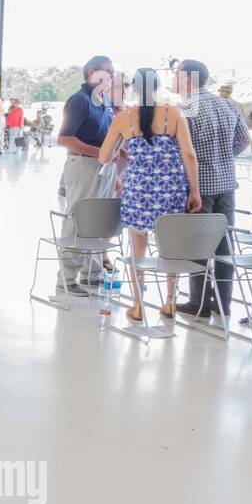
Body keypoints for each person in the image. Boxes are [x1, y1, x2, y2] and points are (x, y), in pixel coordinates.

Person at [99, 68, 202, 321]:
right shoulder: (175, 113)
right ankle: (169, 303)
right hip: (171, 188)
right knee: (171, 249)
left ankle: (137, 305)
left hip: (137, 190)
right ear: (157, 87)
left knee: (138, 250)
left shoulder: (124, 118)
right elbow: (189, 154)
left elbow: (103, 157)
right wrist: (195, 189)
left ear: (133, 88)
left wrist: (124, 153)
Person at [175, 59, 250, 319]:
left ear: (186, 78)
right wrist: (223, 158)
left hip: (200, 186)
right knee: (223, 246)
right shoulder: (227, 104)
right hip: (226, 183)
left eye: (176, 75)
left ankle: (198, 302)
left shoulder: (185, 108)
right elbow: (244, 139)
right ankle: (222, 303)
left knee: (198, 244)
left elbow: (182, 150)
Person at [55, 56, 116, 297]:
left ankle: (93, 273)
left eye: (113, 72)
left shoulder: (104, 100)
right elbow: (64, 138)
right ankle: (67, 279)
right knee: (78, 221)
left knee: (97, 221)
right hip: (83, 165)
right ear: (91, 72)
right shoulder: (78, 101)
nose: (111, 76)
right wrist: (100, 152)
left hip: (103, 167)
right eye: (107, 72)